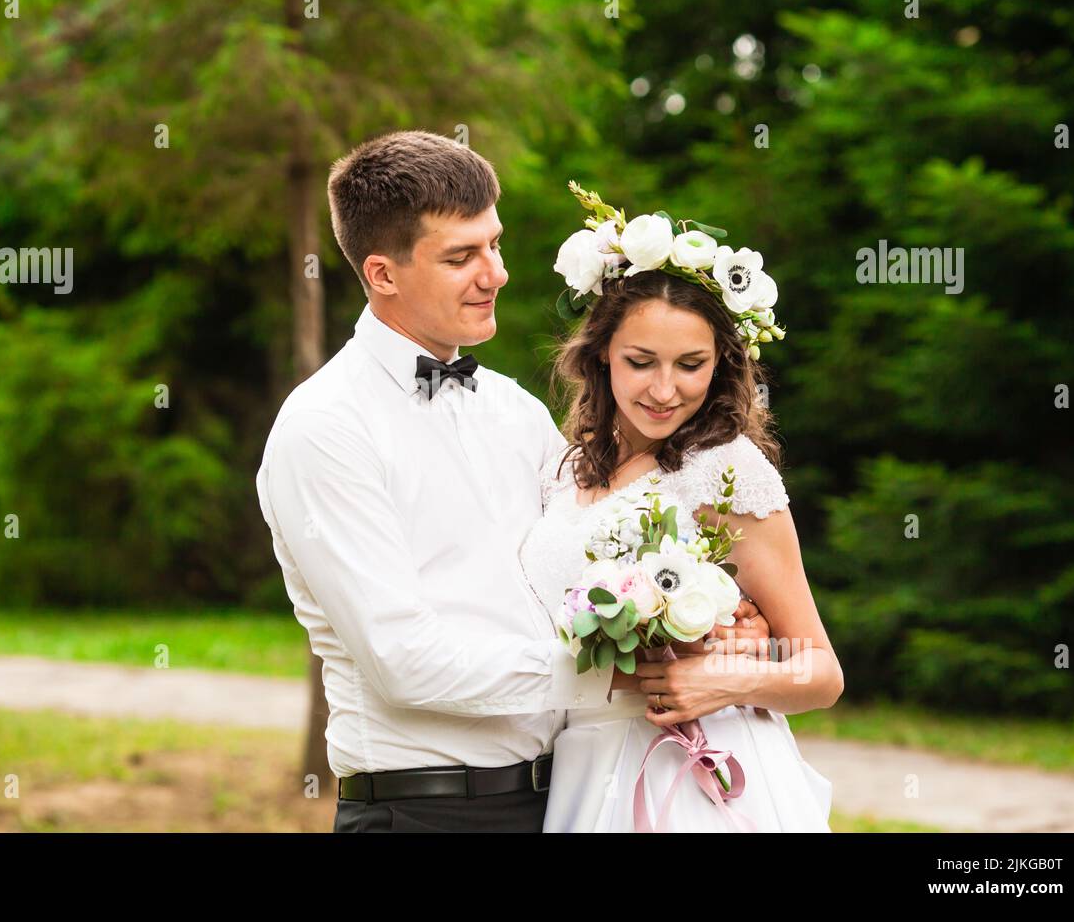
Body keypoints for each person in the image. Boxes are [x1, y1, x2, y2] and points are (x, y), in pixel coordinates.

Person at [255, 130, 772, 832]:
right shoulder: (325, 427)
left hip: (564, 797)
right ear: (383, 274)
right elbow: (404, 663)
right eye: (461, 256)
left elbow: (588, 565)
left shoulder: (515, 409)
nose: (495, 273)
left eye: (494, 245)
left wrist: (716, 624)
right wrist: (621, 675)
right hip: (422, 812)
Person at [526, 195, 843, 831]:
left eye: (690, 365)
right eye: (640, 362)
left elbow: (820, 670)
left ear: (721, 365)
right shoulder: (563, 470)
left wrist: (725, 679)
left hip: (687, 775)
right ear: (600, 356)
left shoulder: (726, 470)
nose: (664, 390)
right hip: (579, 766)